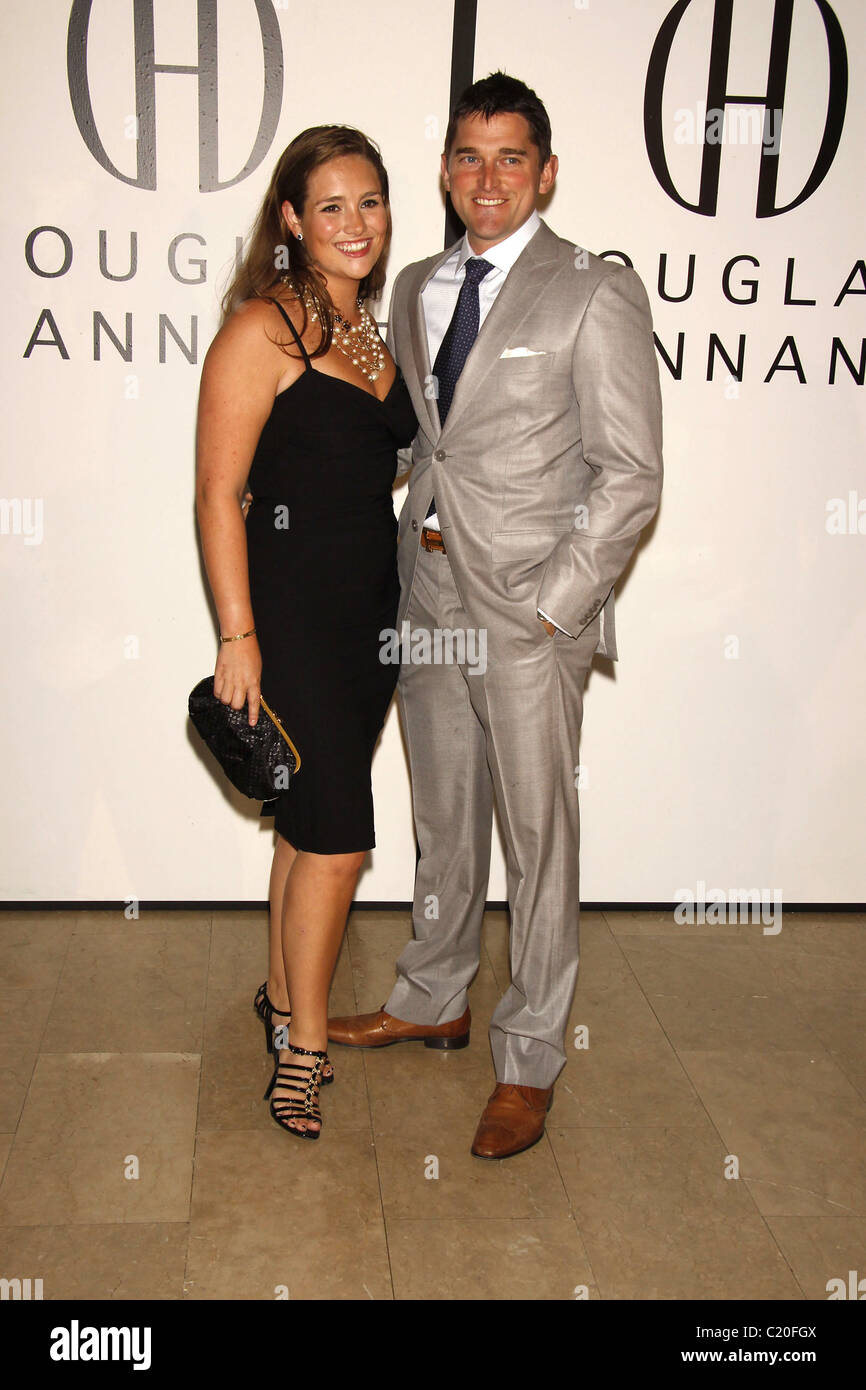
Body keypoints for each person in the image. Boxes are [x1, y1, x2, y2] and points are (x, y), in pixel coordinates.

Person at [328, 73, 663, 1159]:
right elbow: (427, 439)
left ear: (546, 172)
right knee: (443, 811)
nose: (487, 177)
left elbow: (628, 476)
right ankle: (433, 993)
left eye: (509, 157)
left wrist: (558, 608)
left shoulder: (591, 292)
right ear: (443, 171)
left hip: (526, 611)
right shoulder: (419, 280)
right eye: (468, 156)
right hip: (425, 589)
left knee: (537, 837)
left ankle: (527, 1059)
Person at [195, 126, 416, 1140]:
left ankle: (281, 994)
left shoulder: (373, 332)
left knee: (301, 817)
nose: (354, 223)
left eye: (368, 201)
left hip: (370, 614)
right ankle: (306, 1047)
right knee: (338, 842)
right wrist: (237, 637)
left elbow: (380, 463)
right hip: (288, 621)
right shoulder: (261, 330)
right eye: (330, 206)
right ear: (291, 219)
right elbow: (215, 493)